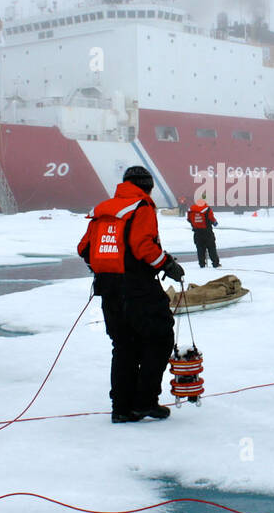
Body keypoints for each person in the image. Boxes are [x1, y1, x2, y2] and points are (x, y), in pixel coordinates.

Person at [78, 166, 184, 423]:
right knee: (159, 340)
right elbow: (143, 246)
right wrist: (168, 264)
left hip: (109, 290)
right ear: (148, 186)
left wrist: (105, 269)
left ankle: (121, 408)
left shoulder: (104, 209)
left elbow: (84, 248)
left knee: (124, 346)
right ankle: (144, 402)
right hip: (138, 288)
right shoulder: (141, 207)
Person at [186, 198, 221, 268]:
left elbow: (189, 219)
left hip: (197, 233)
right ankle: (215, 263)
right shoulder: (207, 209)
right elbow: (211, 218)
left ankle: (202, 264)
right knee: (211, 248)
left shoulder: (191, 210)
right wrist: (215, 223)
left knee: (200, 249)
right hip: (207, 232)